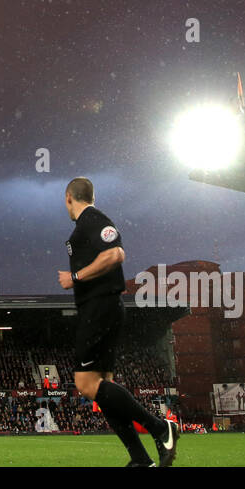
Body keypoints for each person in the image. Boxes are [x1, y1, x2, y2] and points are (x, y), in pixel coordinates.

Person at [57, 177, 178, 467]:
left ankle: (161, 428)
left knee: (86, 384)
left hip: (99, 307)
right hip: (101, 307)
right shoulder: (84, 225)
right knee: (103, 388)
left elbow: (115, 253)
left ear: (68, 198)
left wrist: (75, 277)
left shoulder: (92, 219)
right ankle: (140, 458)